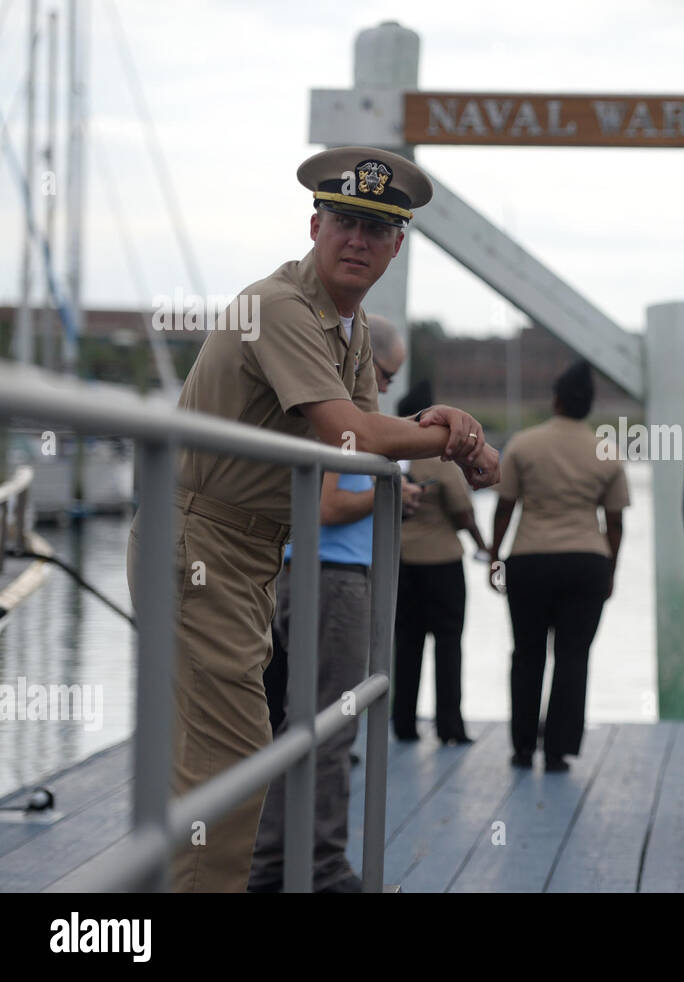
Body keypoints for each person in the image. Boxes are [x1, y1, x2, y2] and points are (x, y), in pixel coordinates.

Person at [127, 145, 500, 893]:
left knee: (217, 758)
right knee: (231, 763)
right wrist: (455, 437)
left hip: (249, 551)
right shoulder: (280, 307)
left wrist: (442, 426)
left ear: (397, 245)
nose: (357, 239)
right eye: (343, 222)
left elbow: (363, 433)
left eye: (375, 227)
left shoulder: (346, 327)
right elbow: (354, 436)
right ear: (313, 224)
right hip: (203, 540)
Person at [248, 314, 418, 893]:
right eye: (386, 373)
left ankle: (270, 865)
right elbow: (326, 507)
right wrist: (390, 491)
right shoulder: (345, 427)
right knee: (330, 728)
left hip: (302, 575)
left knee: (299, 729)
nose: (388, 387)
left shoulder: (323, 417)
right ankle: (321, 872)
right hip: (332, 578)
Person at [490, 360, 628, 772]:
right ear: (589, 406)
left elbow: (504, 506)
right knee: (573, 657)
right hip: (586, 561)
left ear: (555, 399)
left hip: (529, 559)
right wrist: (611, 570)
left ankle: (521, 746)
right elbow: (616, 522)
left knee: (527, 654)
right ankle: (557, 751)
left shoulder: (524, 443)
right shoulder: (606, 449)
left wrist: (495, 556)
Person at [392, 381, 490, 745]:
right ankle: (450, 726)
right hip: (442, 564)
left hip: (403, 563)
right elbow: (462, 512)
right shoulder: (438, 458)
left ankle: (403, 723)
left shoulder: (395, 454)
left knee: (407, 643)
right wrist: (485, 547)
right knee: (448, 644)